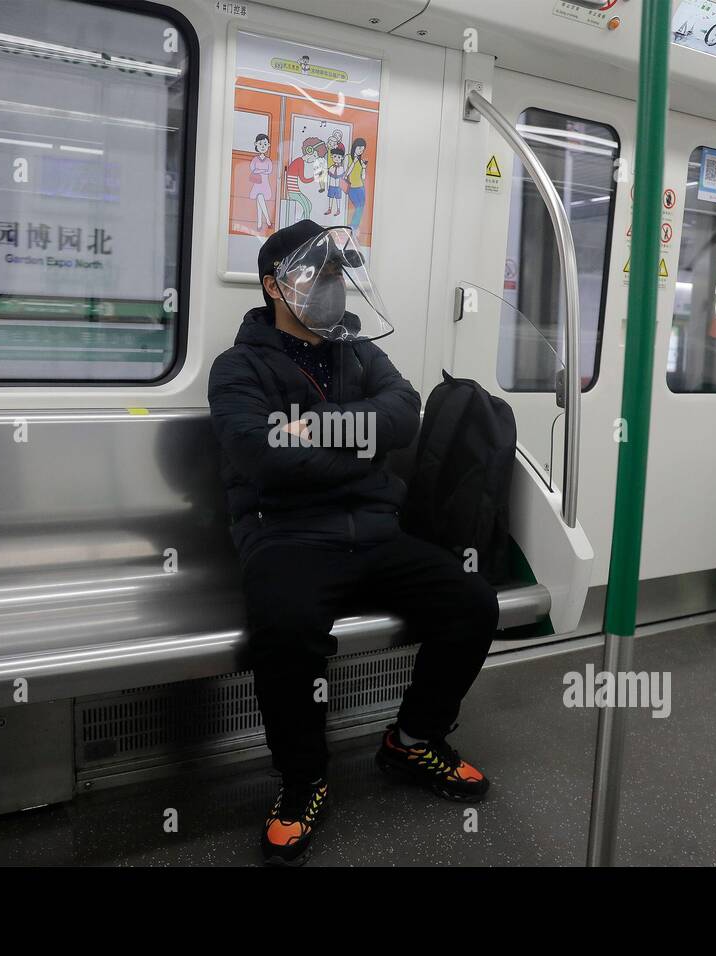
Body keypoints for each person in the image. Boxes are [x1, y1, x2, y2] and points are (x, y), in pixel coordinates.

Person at [207, 220, 499, 866]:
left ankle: (412, 739)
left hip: (373, 533)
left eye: (338, 272)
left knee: (473, 603)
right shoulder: (239, 366)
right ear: (273, 286)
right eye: (316, 273)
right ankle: (303, 779)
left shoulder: (360, 353)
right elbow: (263, 455)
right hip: (285, 538)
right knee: (285, 631)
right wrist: (360, 452)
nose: (332, 285)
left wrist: (314, 429)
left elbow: (404, 413)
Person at [248, 133, 273, 233]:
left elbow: (269, 170)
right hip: (257, 183)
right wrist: (261, 171)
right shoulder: (255, 159)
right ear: (256, 145)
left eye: (265, 144)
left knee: (259, 203)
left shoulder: (268, 160)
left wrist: (259, 170)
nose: (263, 147)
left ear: (268, 145)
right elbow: (252, 168)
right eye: (260, 144)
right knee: (259, 198)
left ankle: (260, 223)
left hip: (265, 184)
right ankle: (267, 221)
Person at [345, 138, 369, 234]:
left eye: (362, 150)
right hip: (352, 187)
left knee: (361, 207)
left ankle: (354, 227)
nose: (360, 151)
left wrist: (363, 168)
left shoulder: (360, 160)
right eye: (359, 148)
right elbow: (346, 173)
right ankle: (353, 227)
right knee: (359, 206)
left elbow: (363, 177)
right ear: (354, 147)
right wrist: (354, 162)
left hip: (360, 187)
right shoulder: (348, 157)